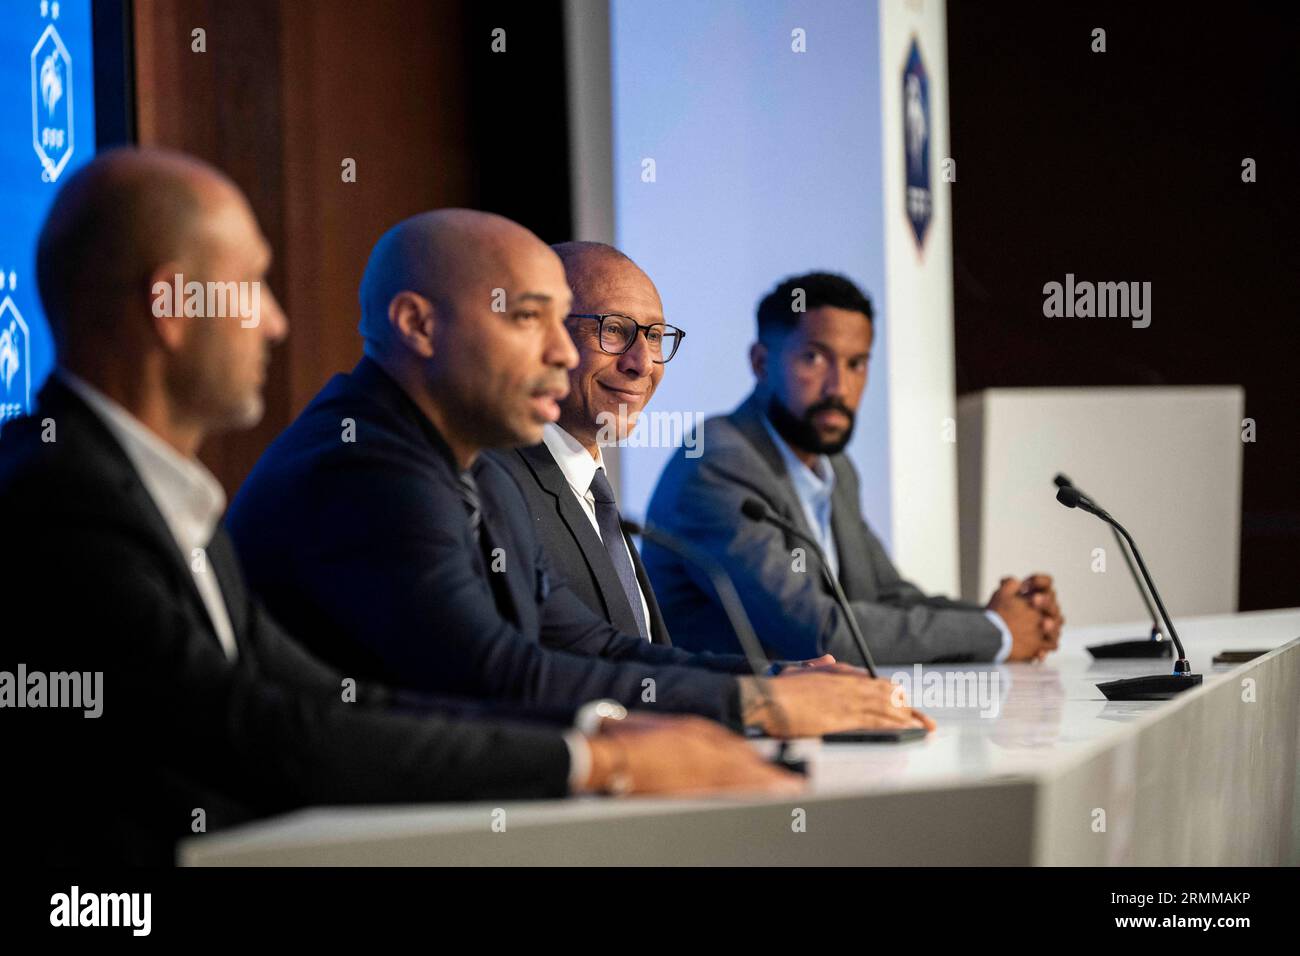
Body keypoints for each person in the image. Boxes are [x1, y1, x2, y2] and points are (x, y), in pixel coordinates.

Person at [0, 148, 799, 865]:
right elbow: (249, 728)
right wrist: (601, 760)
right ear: (172, 307)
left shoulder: (158, 487)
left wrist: (617, 734)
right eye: (250, 289)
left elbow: (303, 692)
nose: (277, 323)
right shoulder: (62, 493)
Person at [227, 214, 931, 738]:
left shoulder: (447, 457)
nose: (563, 353)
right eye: (533, 320)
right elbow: (495, 675)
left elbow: (586, 642)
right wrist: (755, 705)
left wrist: (775, 679)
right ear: (418, 324)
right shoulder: (366, 463)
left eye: (567, 324)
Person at [644, 272, 1064, 665]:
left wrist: (1011, 616)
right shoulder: (717, 464)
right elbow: (818, 634)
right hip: (725, 724)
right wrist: (996, 631)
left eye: (856, 364)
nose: (839, 388)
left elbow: (887, 596)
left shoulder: (836, 468)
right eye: (814, 358)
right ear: (760, 363)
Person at [490, 241, 679, 645]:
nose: (642, 363)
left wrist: (766, 681)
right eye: (613, 329)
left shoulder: (596, 490)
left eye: (656, 336)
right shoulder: (496, 483)